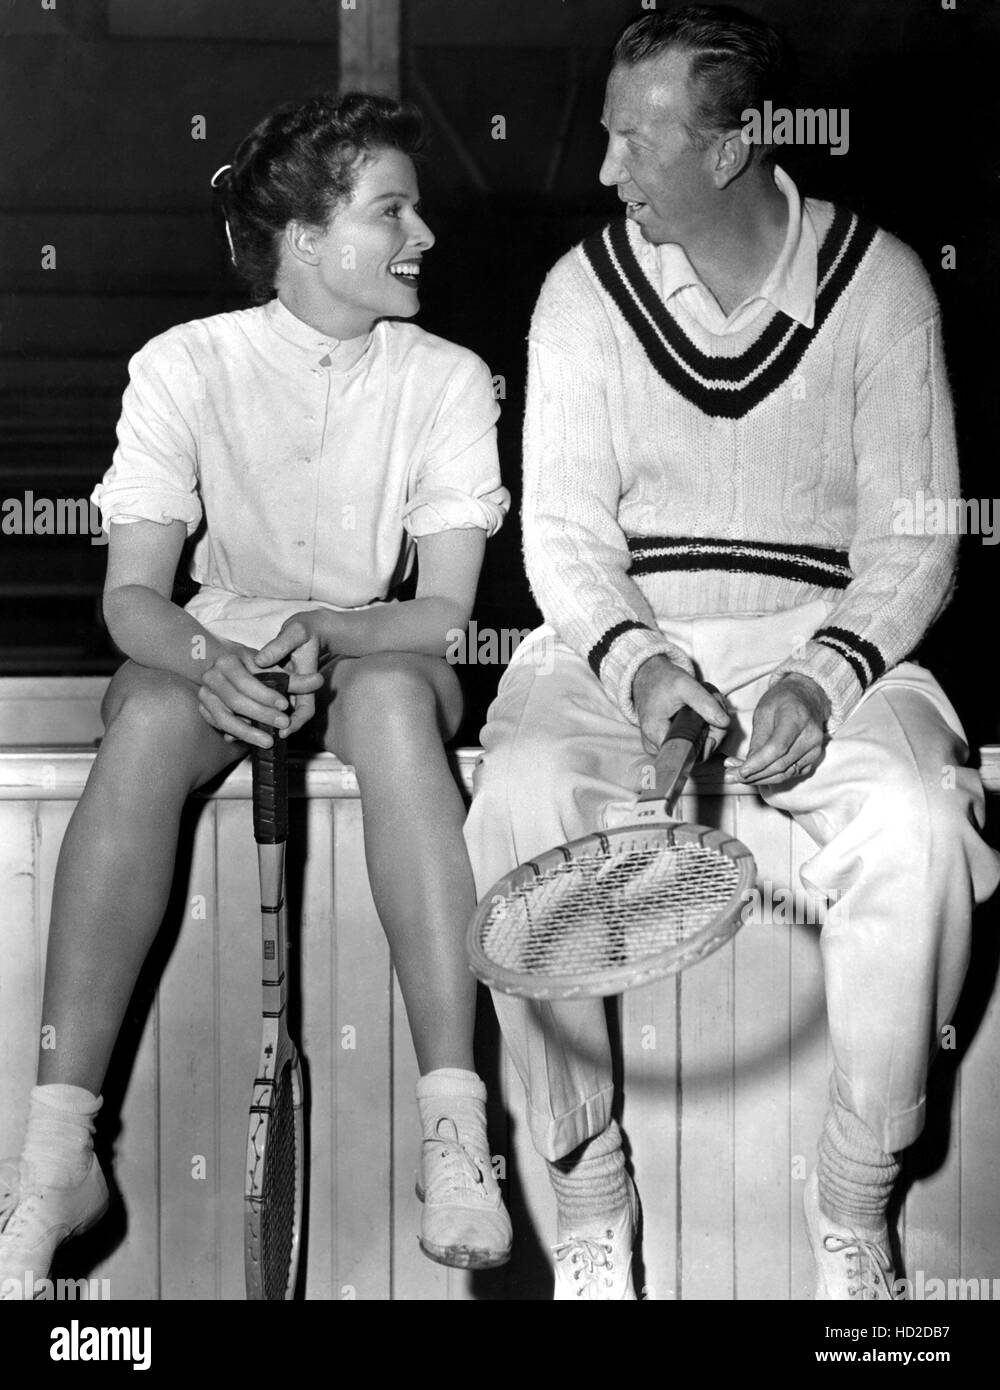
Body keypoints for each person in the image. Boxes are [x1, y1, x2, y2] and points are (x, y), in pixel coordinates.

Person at [464, 6, 1000, 1301]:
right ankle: (588, 1192)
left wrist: (827, 675)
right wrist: (642, 665)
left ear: (731, 147)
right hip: (620, 650)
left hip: (821, 649)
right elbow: (567, 534)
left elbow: (916, 540)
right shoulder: (579, 294)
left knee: (926, 821)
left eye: (633, 141)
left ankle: (855, 1198)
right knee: (520, 797)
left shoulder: (884, 288)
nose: (605, 170)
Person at [0, 90, 512, 1295]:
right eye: (393, 208)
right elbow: (133, 599)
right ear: (304, 238)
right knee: (143, 727)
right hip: (211, 647)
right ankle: (56, 1155)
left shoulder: (447, 377)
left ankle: (456, 1132)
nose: (424, 233)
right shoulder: (184, 363)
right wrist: (208, 663)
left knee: (388, 704)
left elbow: (442, 612)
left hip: (374, 645)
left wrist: (332, 632)